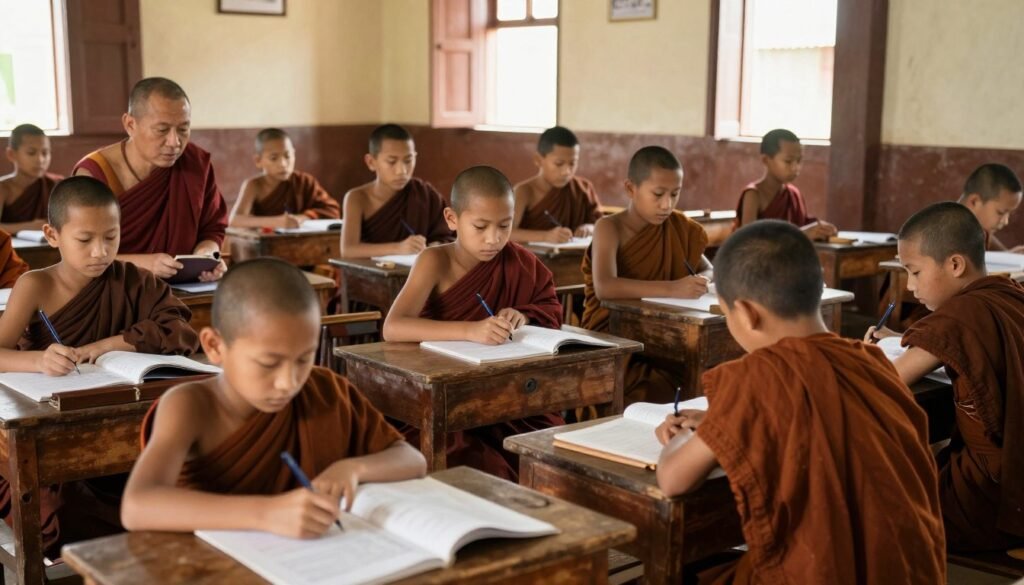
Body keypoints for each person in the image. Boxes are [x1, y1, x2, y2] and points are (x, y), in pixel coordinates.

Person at [657, 219, 945, 583]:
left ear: (745, 313)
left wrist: (680, 435)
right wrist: (718, 420)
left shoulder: (756, 377)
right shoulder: (873, 365)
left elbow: (672, 479)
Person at [122, 258, 425, 537]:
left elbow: (412, 460)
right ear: (215, 346)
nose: (288, 383)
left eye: (304, 359)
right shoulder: (189, 405)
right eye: (268, 364)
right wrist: (266, 513)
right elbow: (137, 506)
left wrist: (353, 469)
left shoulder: (325, 389)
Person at [382, 166, 563, 480]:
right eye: (480, 226)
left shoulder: (521, 261)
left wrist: (524, 314)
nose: (493, 239)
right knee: (479, 465)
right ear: (452, 219)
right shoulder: (434, 261)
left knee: (552, 451)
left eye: (504, 225)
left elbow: (549, 308)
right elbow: (393, 327)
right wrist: (471, 330)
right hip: (447, 401)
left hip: (510, 398)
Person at [866, 201, 1024, 552]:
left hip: (991, 493)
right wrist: (898, 339)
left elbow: (885, 378)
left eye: (915, 272)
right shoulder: (1009, 294)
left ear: (954, 264)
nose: (908, 287)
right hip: (1014, 471)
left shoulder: (960, 316)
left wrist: (860, 357)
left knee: (876, 502)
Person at [581, 146, 712, 404]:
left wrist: (702, 281)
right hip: (616, 339)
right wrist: (674, 288)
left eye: (675, 194)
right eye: (658, 194)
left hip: (668, 336)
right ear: (631, 189)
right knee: (654, 387)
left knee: (704, 374)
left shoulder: (679, 226)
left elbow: (708, 268)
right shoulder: (609, 227)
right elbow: (605, 287)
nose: (667, 204)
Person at [73, 77, 228, 282]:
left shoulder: (195, 164)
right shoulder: (95, 173)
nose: (174, 142)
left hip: (185, 288)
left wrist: (207, 256)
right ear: (130, 124)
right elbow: (79, 254)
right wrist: (144, 264)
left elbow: (212, 229)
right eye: (162, 130)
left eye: (183, 129)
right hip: (113, 289)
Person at [339, 124, 453, 258]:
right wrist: (399, 248)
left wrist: (433, 246)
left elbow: (448, 236)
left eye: (408, 160)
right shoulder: (357, 198)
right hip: (369, 275)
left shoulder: (424, 194)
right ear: (371, 162)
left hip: (417, 272)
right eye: (392, 161)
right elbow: (348, 250)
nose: (402, 171)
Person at [734, 128, 836, 240]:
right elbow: (748, 240)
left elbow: (803, 224)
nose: (795, 168)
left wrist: (821, 229)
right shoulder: (753, 195)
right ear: (765, 160)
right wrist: (802, 234)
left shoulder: (794, 193)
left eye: (799, 161)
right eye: (788, 161)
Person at [229, 128, 340, 229]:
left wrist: (303, 218)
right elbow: (235, 220)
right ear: (258, 161)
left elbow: (332, 210)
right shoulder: (254, 186)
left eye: (287, 156)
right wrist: (277, 222)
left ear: (294, 155)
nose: (283, 164)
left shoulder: (304, 182)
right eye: (274, 158)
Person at [510, 126, 601, 244]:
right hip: (534, 259)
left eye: (572, 163)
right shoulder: (525, 191)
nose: (567, 171)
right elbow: (506, 232)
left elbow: (600, 224)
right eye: (559, 163)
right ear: (538, 160)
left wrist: (590, 228)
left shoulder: (583, 188)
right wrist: (545, 236)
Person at [0, 123, 62, 232]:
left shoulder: (57, 185)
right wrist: (30, 226)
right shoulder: (3, 188)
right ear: (11, 154)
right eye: (31, 153)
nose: (40, 160)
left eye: (45, 153)